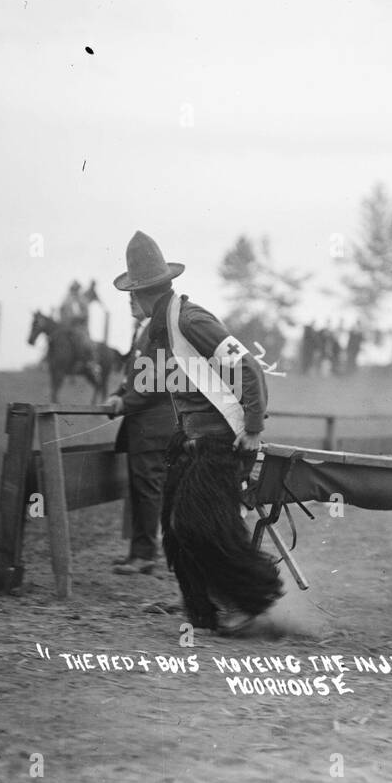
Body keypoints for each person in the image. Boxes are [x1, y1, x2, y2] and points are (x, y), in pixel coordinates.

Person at [112, 230, 283, 635]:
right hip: (188, 441)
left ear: (142, 293)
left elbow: (249, 369)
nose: (128, 302)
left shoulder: (190, 321)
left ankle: (255, 601)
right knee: (173, 531)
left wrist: (254, 429)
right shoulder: (162, 330)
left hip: (219, 443)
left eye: (130, 294)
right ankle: (202, 612)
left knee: (198, 525)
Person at [103, 292, 177, 576]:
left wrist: (126, 402)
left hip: (153, 428)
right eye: (128, 297)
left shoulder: (159, 331)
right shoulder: (142, 331)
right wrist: (116, 395)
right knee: (142, 490)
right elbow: (132, 380)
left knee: (148, 492)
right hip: (144, 429)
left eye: (135, 297)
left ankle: (145, 555)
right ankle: (141, 552)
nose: (130, 301)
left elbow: (158, 380)